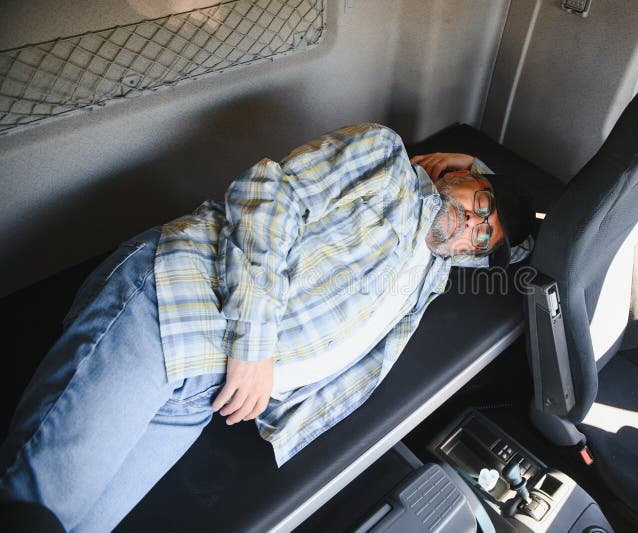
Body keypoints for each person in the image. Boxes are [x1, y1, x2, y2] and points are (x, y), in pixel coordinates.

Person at [0, 123, 535, 532]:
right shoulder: (389, 162)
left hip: (203, 397)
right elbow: (267, 196)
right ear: (460, 176)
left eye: (482, 238)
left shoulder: (428, 277)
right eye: (479, 204)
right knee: (34, 511)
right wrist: (255, 348)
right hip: (171, 313)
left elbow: (507, 254)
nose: (473, 227)